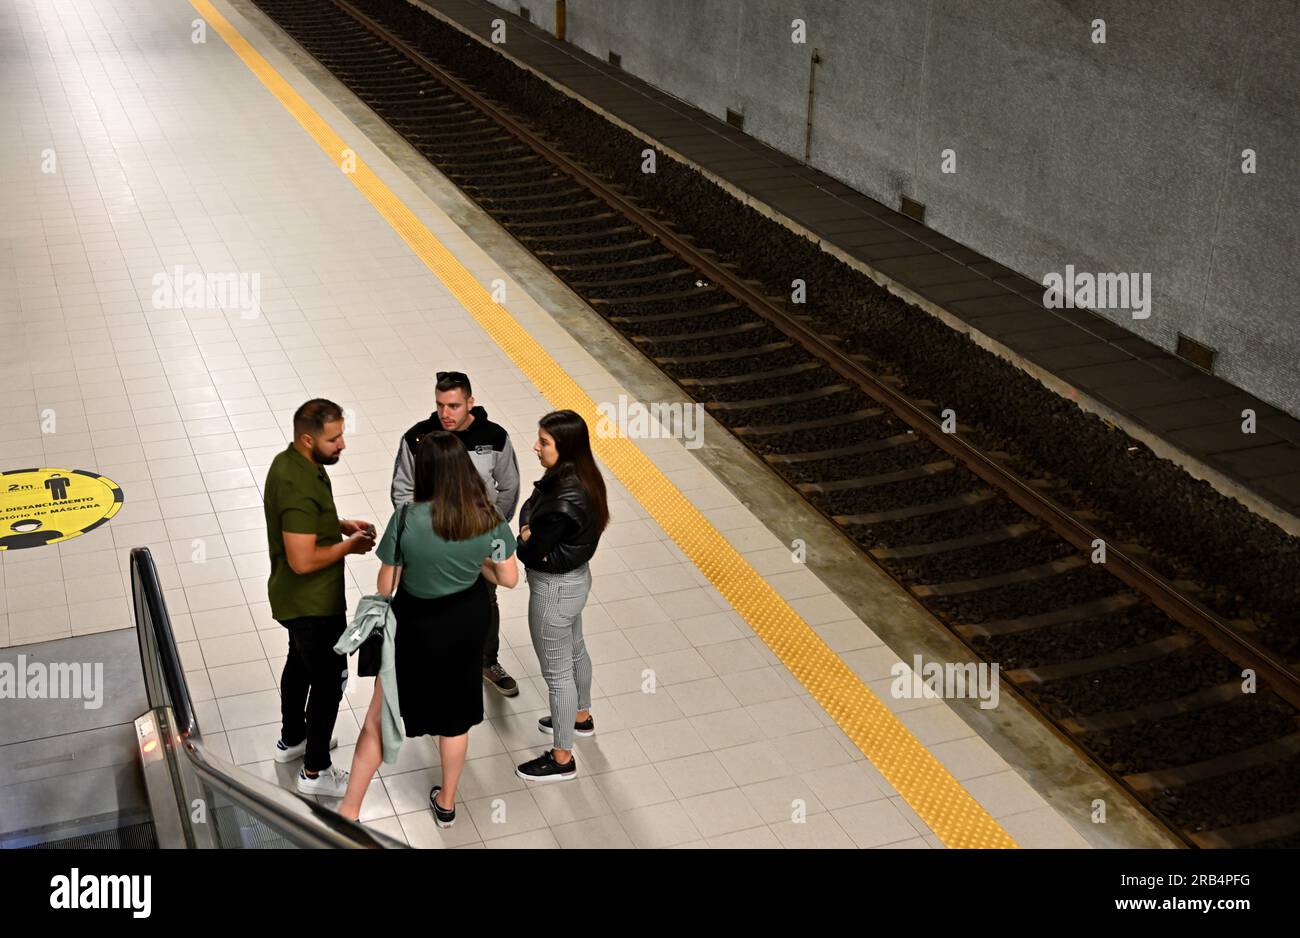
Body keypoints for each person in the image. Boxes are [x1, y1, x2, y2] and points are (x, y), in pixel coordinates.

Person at [341, 431, 518, 826]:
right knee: (455, 718)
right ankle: (448, 802)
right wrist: (476, 566)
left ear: (423, 472)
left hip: (415, 625)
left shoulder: (405, 518)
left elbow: (385, 586)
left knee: (378, 715)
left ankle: (350, 809)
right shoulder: (489, 517)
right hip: (466, 621)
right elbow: (508, 578)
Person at [264, 399, 376, 797]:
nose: (342, 444)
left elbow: (305, 525)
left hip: (294, 602)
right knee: (330, 680)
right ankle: (315, 772)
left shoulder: (290, 462)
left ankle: (292, 739)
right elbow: (302, 559)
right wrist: (350, 547)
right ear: (308, 438)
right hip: (311, 603)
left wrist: (340, 525)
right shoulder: (298, 484)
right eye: (334, 438)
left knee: (298, 664)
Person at [390, 371, 522, 698]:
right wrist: (422, 531)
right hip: (429, 544)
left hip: (477, 543)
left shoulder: (494, 437)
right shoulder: (418, 438)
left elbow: (508, 487)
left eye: (454, 405)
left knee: (484, 601)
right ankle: (430, 666)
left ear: (470, 403)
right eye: (440, 405)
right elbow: (402, 490)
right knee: (430, 603)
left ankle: (485, 661)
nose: (445, 413)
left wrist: (488, 532)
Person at [514, 410, 609, 783]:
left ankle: (562, 757)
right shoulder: (584, 476)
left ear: (565, 447)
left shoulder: (564, 499)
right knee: (575, 649)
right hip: (576, 581)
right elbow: (532, 511)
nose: (535, 447)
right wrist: (529, 530)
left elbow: (530, 550)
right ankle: (580, 717)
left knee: (557, 676)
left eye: (544, 442)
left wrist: (525, 536)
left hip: (553, 590)